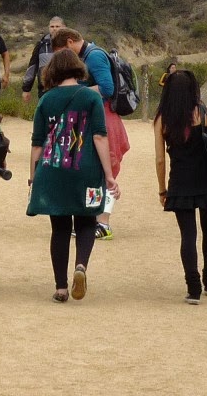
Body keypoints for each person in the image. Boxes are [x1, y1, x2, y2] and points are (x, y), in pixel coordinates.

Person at [27, 48, 120, 302]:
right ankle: (81, 266)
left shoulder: (46, 100)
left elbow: (37, 143)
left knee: (59, 228)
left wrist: (33, 176)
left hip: (53, 170)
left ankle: (60, 287)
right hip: (86, 170)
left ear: (53, 71)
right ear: (78, 68)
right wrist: (109, 176)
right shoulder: (91, 99)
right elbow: (100, 136)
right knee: (87, 222)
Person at [154, 70, 207, 304]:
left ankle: (193, 288)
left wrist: (162, 189)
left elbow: (159, 159)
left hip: (180, 182)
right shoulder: (204, 112)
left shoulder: (162, 118)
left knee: (188, 234)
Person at [52, 27, 130, 241]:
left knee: (108, 171)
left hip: (104, 118)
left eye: (60, 52)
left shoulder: (94, 56)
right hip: (96, 117)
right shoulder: (88, 55)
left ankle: (103, 223)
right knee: (94, 172)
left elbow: (107, 88)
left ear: (69, 42)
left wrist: (75, 92)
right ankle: (95, 219)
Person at [21, 16, 64, 103]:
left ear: (64, 27)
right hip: (45, 89)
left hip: (65, 88)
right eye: (52, 26)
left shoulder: (70, 43)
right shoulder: (41, 45)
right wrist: (26, 89)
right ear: (48, 28)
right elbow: (32, 67)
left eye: (57, 26)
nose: (54, 29)